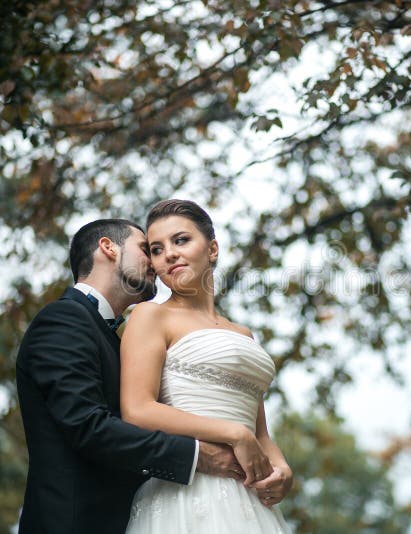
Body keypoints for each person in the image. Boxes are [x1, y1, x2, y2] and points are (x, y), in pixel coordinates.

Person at [16, 218, 244, 534]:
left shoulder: (119, 339)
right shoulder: (63, 319)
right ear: (108, 248)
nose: (155, 262)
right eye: (146, 249)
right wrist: (197, 456)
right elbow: (88, 427)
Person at [121, 200, 293, 533]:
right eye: (157, 249)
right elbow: (137, 409)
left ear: (212, 248)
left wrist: (281, 467)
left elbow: (259, 431)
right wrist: (233, 434)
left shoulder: (242, 333)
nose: (169, 254)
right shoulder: (150, 316)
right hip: (185, 493)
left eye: (180, 240)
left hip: (251, 502)